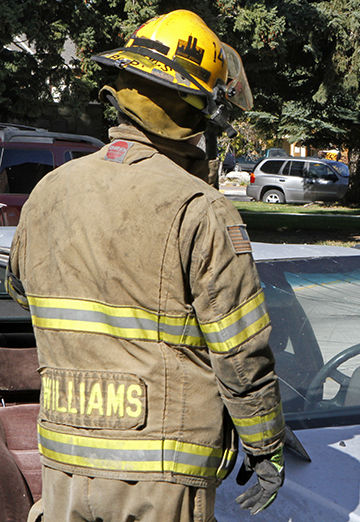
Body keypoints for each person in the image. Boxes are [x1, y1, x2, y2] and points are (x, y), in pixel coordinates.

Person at [6, 10, 284, 520]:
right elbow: (241, 350)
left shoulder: (47, 192)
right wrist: (265, 443)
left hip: (65, 466)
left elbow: (23, 292)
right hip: (160, 474)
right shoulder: (199, 208)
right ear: (196, 111)